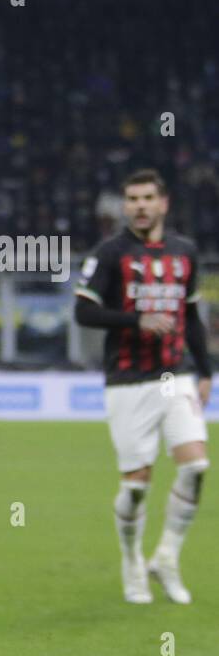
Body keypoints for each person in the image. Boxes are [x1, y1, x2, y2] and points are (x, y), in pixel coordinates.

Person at [74, 169, 211, 604]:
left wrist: (206, 371)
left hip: (176, 375)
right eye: (132, 198)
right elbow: (83, 312)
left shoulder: (185, 252)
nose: (140, 205)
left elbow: (191, 319)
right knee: (136, 486)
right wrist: (137, 319)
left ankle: (166, 558)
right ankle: (132, 559)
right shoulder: (110, 253)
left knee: (195, 467)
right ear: (125, 205)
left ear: (163, 203)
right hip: (127, 381)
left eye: (148, 197)